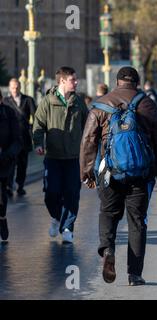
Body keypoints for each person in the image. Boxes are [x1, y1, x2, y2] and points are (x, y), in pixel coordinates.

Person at [80, 67, 157, 286]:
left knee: (109, 212)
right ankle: (135, 274)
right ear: (137, 83)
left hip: (110, 173)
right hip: (141, 173)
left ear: (117, 82)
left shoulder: (101, 105)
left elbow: (87, 142)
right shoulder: (147, 104)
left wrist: (87, 173)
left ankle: (108, 249)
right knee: (137, 221)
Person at [33, 66, 89, 243]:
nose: (76, 82)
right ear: (62, 81)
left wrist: (89, 149)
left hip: (73, 158)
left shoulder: (78, 102)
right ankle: (56, 217)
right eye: (73, 79)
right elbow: (38, 125)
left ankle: (67, 227)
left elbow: (88, 126)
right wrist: (38, 144)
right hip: (54, 157)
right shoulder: (47, 101)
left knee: (72, 193)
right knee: (51, 193)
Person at [3, 78, 36, 197]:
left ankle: (20, 186)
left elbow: (35, 117)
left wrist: (32, 131)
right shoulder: (6, 101)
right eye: (12, 87)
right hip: (10, 139)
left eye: (17, 87)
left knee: (22, 164)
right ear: (9, 88)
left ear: (20, 87)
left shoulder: (28, 100)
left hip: (24, 137)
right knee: (10, 163)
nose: (15, 89)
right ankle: (8, 186)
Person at [0, 91, 22, 241]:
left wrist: (8, 154)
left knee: (1, 197)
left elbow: (17, 139)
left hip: (3, 161)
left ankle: (2, 218)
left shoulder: (8, 113)